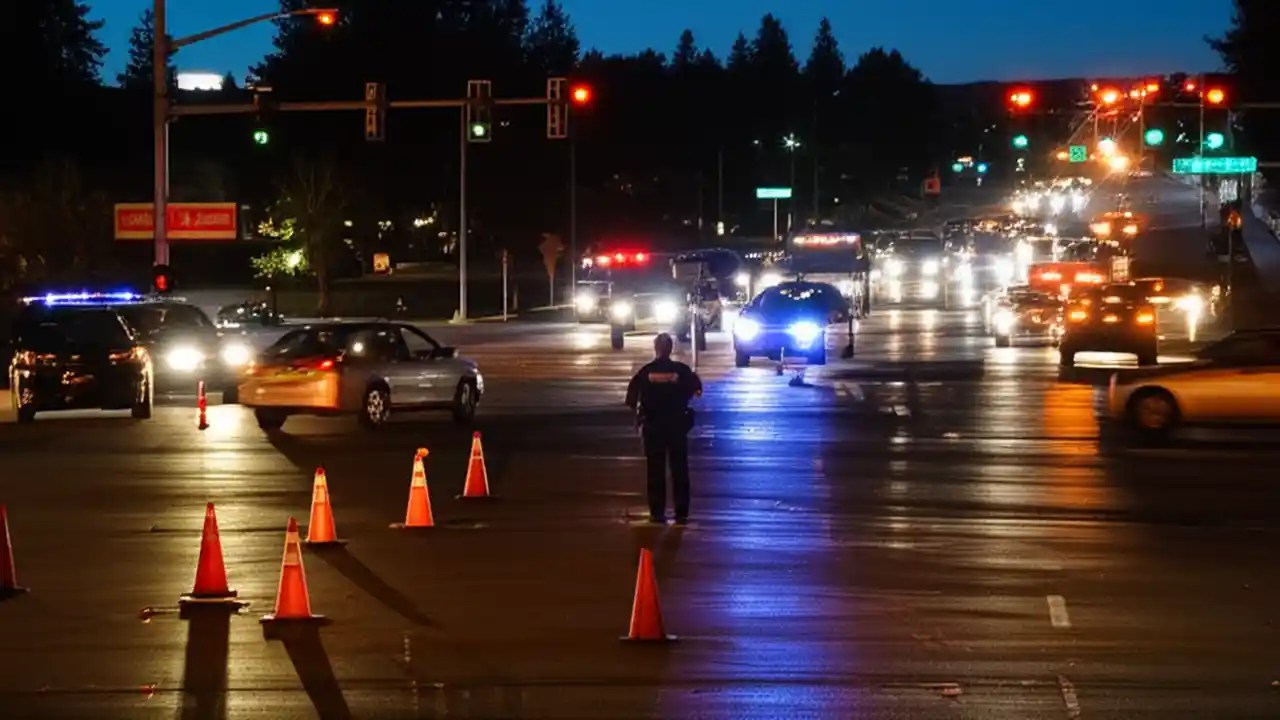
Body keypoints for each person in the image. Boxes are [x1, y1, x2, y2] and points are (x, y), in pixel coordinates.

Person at [625, 333, 703, 524]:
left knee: (655, 470)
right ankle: (681, 512)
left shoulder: (645, 372)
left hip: (653, 427)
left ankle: (657, 512)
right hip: (677, 426)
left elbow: (630, 399)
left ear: (656, 348)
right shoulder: (683, 371)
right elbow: (697, 391)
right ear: (670, 348)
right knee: (680, 471)